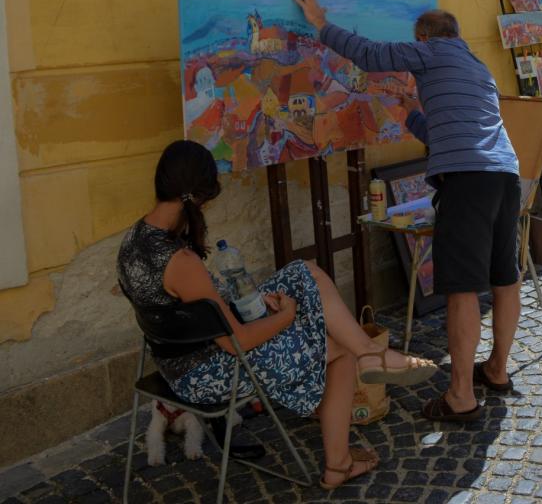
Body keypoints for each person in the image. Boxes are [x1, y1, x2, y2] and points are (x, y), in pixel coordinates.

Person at [117, 140, 436, 490]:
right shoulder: (182, 263)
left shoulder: (133, 238)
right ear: (201, 196)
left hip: (181, 360)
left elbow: (193, 310)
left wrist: (256, 304)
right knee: (337, 351)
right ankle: (338, 463)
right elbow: (237, 341)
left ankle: (371, 353)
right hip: (207, 375)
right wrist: (286, 317)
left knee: (304, 272)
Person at [294, 0, 521, 423]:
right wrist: (412, 109)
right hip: (503, 176)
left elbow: (370, 53)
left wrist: (321, 23)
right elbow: (445, 133)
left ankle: (460, 398)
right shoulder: (475, 66)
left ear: (423, 39)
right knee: (504, 278)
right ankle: (496, 371)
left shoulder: (430, 51)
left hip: (468, 183)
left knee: (461, 288)